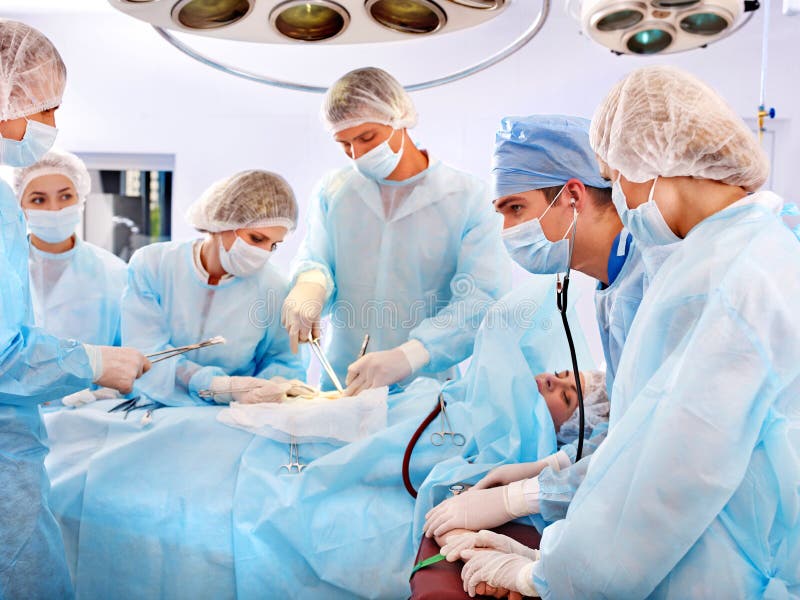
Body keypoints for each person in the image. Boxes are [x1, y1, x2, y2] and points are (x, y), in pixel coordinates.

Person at [453, 66, 800, 598]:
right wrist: (553, 545)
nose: (618, 199)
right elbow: (647, 437)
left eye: (615, 180)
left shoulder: (727, 278)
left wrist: (544, 574)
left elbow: (670, 476)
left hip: (724, 564)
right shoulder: (733, 252)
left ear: (656, 164)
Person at [422, 115, 636, 546]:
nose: (507, 231)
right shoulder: (613, 286)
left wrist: (521, 498)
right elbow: (626, 428)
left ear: (572, 196)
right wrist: (546, 467)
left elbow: (651, 452)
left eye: (515, 208)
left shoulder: (646, 287)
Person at [0, 20, 149, 599]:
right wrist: (93, 363)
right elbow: (6, 353)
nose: (52, 126)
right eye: (47, 107)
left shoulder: (111, 273)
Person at [282, 67, 511, 393]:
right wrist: (310, 284)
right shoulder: (335, 191)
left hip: (424, 388)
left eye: (366, 138)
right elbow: (316, 257)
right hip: (342, 383)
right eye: (344, 144)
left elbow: (482, 298)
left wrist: (411, 354)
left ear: (399, 119)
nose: (357, 154)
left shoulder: (467, 197)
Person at [122, 169, 307, 407]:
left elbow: (283, 360)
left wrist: (266, 389)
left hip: (228, 415)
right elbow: (146, 350)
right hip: (150, 406)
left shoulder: (275, 287)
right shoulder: (153, 265)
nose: (263, 252)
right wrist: (215, 385)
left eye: (274, 245)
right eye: (257, 239)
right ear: (223, 221)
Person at [16, 150, 128, 407]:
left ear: (81, 199)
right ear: (21, 207)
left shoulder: (115, 273)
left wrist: (106, 394)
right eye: (38, 199)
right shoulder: (6, 270)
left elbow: (131, 353)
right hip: (13, 421)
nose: (54, 209)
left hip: (91, 416)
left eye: (65, 196)